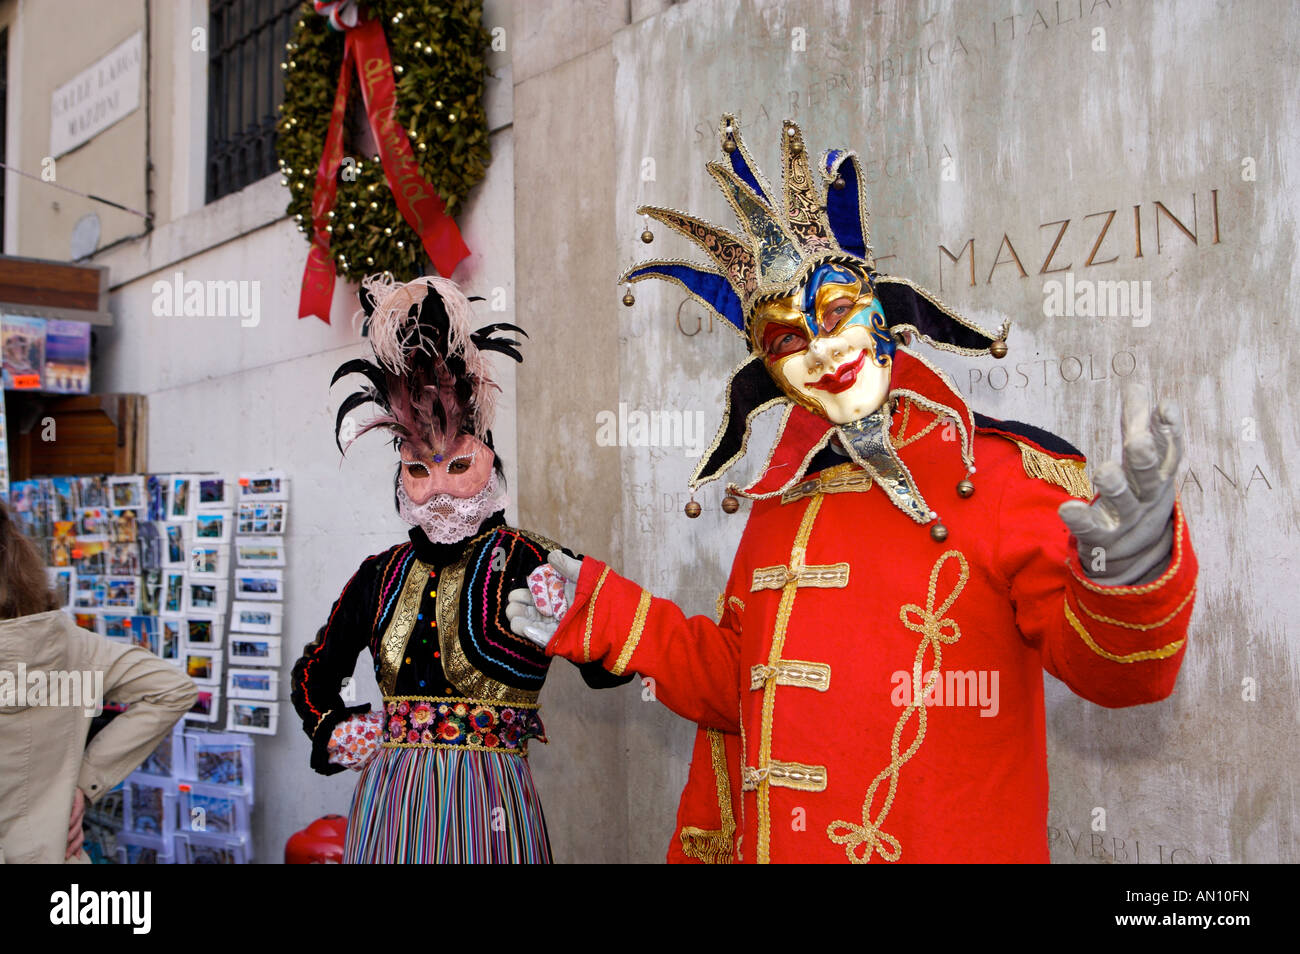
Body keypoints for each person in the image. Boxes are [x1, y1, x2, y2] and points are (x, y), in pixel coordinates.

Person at [507, 115, 1197, 863]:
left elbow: (1119, 676)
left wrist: (1129, 574)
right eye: (785, 340)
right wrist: (610, 614)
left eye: (835, 313)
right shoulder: (777, 506)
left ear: (883, 309)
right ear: (765, 373)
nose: (823, 350)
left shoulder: (997, 472)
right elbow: (742, 687)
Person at [290, 274, 630, 864]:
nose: (439, 487)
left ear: (488, 459)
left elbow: (611, 670)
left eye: (457, 464)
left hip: (491, 810)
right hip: (389, 806)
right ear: (400, 479)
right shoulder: (379, 574)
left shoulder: (531, 559)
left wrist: (584, 624)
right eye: (419, 470)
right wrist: (333, 726)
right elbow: (316, 674)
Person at [0, 500, 197, 864]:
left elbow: (172, 690)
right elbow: (173, 688)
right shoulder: (71, 645)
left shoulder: (71, 645)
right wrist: (84, 784)